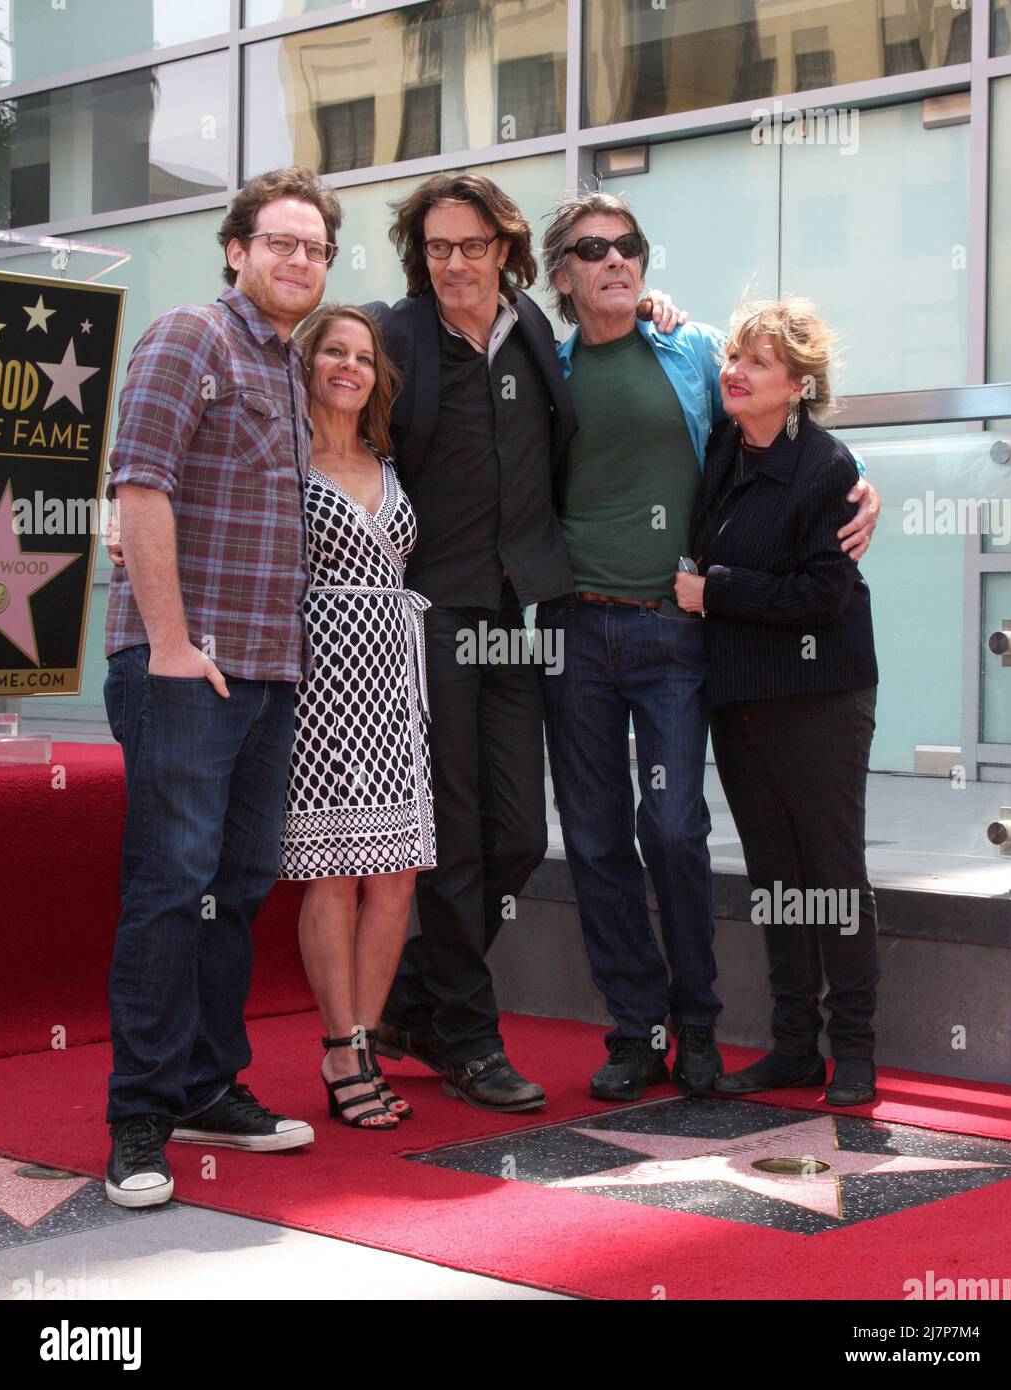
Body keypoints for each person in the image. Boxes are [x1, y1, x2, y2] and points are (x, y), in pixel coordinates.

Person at [537, 193, 879, 1104]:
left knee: (677, 831)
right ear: (563, 275)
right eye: (593, 250)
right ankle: (634, 1030)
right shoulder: (546, 365)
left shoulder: (688, 353)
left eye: (630, 246)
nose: (616, 261)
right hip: (573, 626)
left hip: (676, 634)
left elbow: (783, 439)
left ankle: (698, 1027)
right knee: (599, 839)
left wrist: (858, 486)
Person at [362, 174, 684, 1111]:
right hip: (427, 613)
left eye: (471, 246)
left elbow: (640, 355)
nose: (454, 264)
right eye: (436, 248)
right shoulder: (396, 335)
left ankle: (414, 997)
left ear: (505, 252)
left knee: (518, 835)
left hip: (515, 614)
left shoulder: (537, 334)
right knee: (458, 833)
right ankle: (466, 1036)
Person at [101, 166, 340, 1206]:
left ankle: (205, 1085)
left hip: (267, 675)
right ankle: (139, 1116)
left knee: (232, 890)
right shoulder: (189, 335)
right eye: (279, 241)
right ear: (236, 249)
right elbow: (138, 485)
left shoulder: (286, 365)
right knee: (169, 888)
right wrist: (165, 644)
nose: (298, 259)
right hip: (183, 670)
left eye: (316, 248)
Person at [676, 297, 880, 1107]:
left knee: (832, 869)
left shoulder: (826, 467)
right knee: (774, 874)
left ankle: (855, 1047)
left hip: (819, 694)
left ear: (797, 383)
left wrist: (714, 591)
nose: (736, 371)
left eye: (758, 362)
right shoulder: (727, 445)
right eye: (734, 356)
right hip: (742, 697)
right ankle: (795, 1044)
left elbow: (823, 596)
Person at [279, 303, 435, 1130]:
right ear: (305, 364)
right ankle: (338, 1048)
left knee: (396, 875)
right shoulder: (281, 456)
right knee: (335, 873)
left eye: (364, 357)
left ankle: (365, 1040)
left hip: (394, 678)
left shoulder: (384, 453)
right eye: (333, 352)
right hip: (321, 674)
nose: (350, 366)